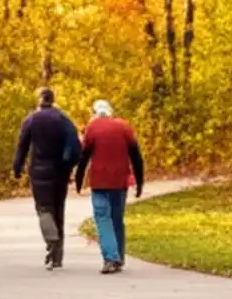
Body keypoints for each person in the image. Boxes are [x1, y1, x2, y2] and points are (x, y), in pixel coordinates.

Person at [13, 87, 82, 270]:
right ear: (53, 99)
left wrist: (17, 167)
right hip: (60, 171)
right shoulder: (63, 119)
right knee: (59, 210)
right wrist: (69, 166)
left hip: (39, 171)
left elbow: (22, 146)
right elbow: (76, 146)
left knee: (44, 208)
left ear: (40, 100)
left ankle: (51, 240)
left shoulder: (31, 120)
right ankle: (58, 256)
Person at [75, 99, 144, 274]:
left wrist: (78, 179)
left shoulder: (92, 128)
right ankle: (118, 257)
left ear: (94, 113)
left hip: (99, 182)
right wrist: (139, 182)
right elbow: (136, 156)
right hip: (120, 182)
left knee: (102, 218)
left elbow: (84, 157)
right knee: (116, 219)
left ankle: (111, 258)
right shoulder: (124, 127)